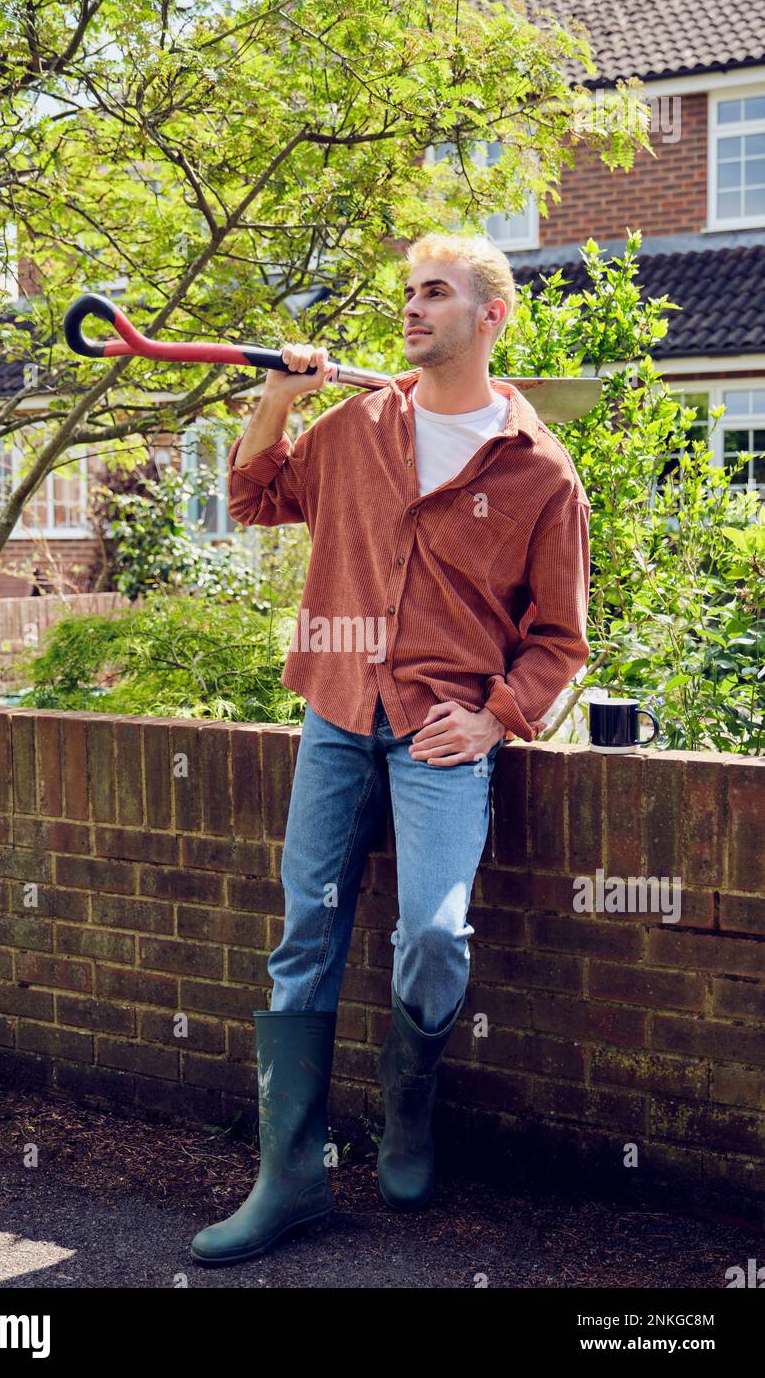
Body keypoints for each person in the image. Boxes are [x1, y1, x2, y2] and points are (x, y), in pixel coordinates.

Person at [190, 231, 591, 1267]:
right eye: (407, 292)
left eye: (434, 293)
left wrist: (498, 715)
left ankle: (408, 1109)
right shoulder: (355, 424)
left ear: (489, 316)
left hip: (438, 733)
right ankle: (288, 1178)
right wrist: (278, 394)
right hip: (333, 710)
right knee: (302, 939)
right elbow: (252, 495)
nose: (410, 309)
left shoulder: (539, 471)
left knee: (432, 932)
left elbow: (559, 637)